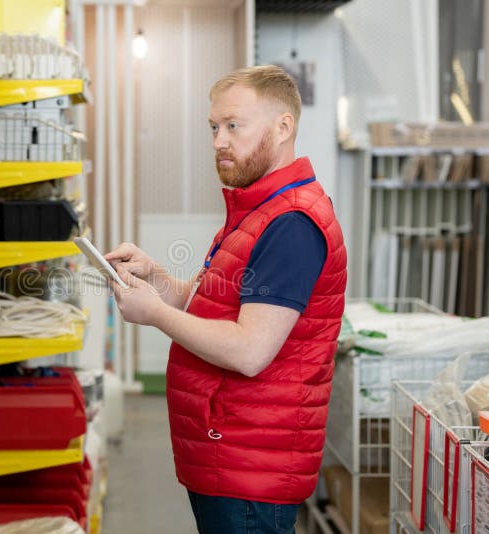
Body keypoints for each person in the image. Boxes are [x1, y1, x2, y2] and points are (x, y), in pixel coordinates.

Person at [104, 65, 347, 534]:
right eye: (214, 127)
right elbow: (210, 307)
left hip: (250, 469)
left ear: (283, 127)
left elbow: (250, 349)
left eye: (234, 126)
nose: (218, 141)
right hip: (230, 456)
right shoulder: (258, 210)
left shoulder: (293, 224)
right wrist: (154, 277)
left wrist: (153, 315)